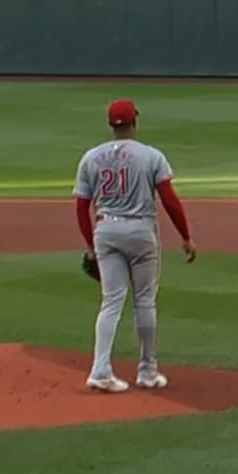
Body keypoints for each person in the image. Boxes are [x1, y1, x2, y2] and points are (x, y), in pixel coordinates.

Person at [73, 99, 198, 393]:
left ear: (110, 125)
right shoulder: (151, 156)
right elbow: (169, 199)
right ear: (134, 122)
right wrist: (185, 236)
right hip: (141, 230)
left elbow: (81, 206)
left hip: (106, 229)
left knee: (111, 301)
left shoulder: (91, 157)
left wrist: (91, 244)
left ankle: (100, 370)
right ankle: (147, 371)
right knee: (144, 300)